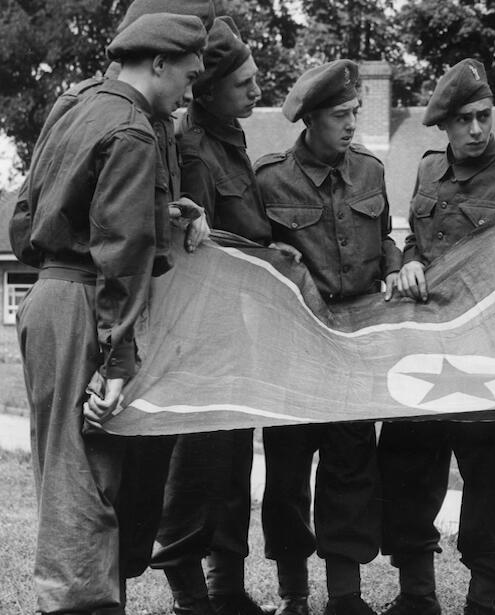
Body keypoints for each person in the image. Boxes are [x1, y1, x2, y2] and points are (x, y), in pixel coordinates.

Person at [12, 14, 207, 615]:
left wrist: (161, 212)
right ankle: (78, 606)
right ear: (158, 64)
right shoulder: (135, 132)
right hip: (85, 303)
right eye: (188, 75)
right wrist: (116, 360)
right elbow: (121, 258)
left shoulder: (71, 110)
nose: (190, 92)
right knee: (85, 479)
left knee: (68, 471)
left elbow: (24, 225)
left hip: (47, 294)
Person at [150, 16, 298, 615]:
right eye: (245, 84)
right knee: (196, 466)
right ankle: (190, 593)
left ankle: (227, 589)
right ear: (206, 91)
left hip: (240, 330)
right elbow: (197, 246)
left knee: (234, 462)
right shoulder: (190, 144)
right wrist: (264, 255)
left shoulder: (231, 140)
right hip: (201, 332)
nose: (257, 91)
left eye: (257, 79)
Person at [377, 58, 495, 615]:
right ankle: (416, 595)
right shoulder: (425, 172)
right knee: (407, 470)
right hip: (426, 351)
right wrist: (410, 261)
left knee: (490, 482)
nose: (476, 129)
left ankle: (482, 600)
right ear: (444, 125)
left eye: (484, 116)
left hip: (491, 357)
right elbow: (415, 239)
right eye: (464, 119)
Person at [255, 59, 402, 615]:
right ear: (310, 120)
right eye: (340, 116)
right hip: (293, 348)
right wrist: (272, 255)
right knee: (288, 474)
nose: (350, 126)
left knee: (350, 466)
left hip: (354, 342)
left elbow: (385, 236)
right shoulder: (268, 177)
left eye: (354, 114)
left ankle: (345, 595)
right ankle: (293, 596)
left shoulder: (371, 171)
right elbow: (247, 251)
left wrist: (393, 265)